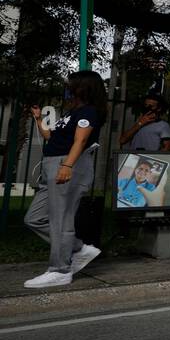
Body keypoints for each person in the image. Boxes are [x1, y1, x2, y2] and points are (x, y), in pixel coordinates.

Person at [23, 71, 107, 288]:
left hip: (69, 164)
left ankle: (60, 270)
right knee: (34, 218)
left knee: (61, 219)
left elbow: (80, 141)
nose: (68, 88)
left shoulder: (89, 111)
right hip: (52, 163)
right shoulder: (73, 112)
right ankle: (79, 248)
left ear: (84, 87)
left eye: (71, 84)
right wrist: (38, 118)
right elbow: (52, 137)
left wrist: (67, 165)